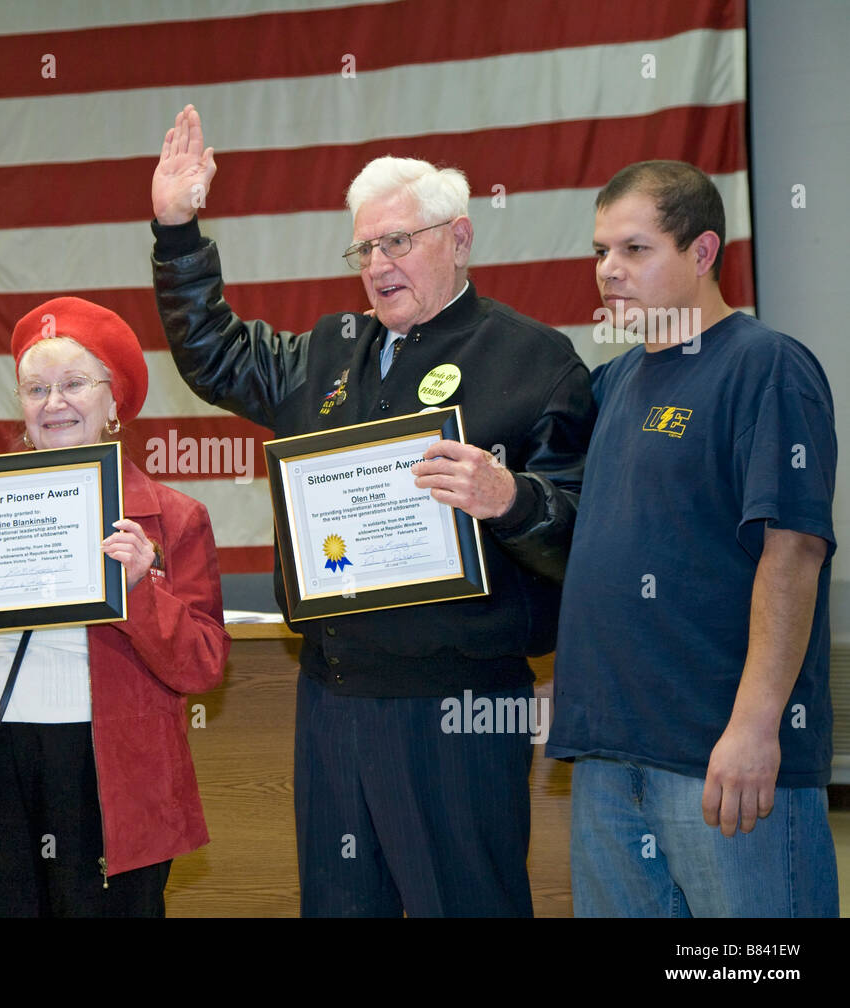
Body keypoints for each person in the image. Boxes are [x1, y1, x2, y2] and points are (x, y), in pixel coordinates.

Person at [149, 105, 594, 916]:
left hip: (459, 704)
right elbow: (212, 353)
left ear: (459, 239)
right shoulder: (326, 350)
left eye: (399, 241)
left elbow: (583, 541)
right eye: (365, 247)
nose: (379, 263)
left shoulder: (537, 362)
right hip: (334, 698)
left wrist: (513, 499)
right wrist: (178, 231)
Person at [548, 160, 839, 917]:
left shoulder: (765, 366)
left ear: (703, 252)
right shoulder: (613, 383)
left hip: (720, 757)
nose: (609, 271)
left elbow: (794, 550)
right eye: (600, 251)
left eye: (635, 250)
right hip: (611, 756)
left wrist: (753, 726)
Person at [0, 296, 229, 917]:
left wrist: (138, 589)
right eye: (35, 388)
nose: (54, 404)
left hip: (108, 771)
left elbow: (203, 665)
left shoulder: (174, 517)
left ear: (114, 400)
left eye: (75, 383)